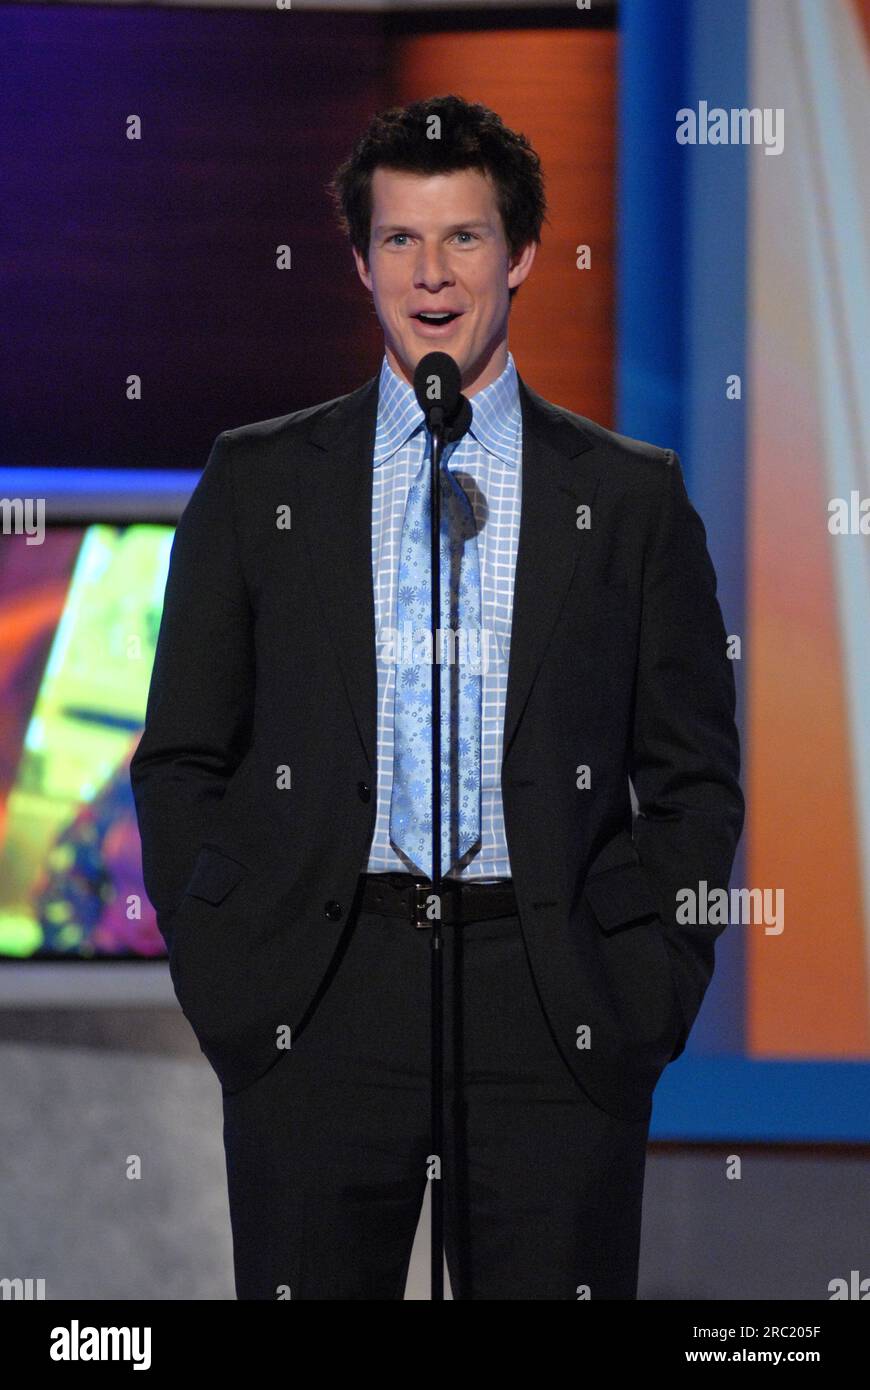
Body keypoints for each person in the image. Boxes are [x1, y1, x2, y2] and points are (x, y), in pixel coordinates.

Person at [130, 94, 744, 1300]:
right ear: (360, 264)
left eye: (463, 237)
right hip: (320, 994)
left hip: (550, 1000)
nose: (432, 274)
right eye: (401, 241)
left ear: (519, 254)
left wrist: (646, 993)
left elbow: (693, 779)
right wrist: (232, 980)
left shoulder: (627, 499)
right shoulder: (259, 481)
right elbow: (182, 760)